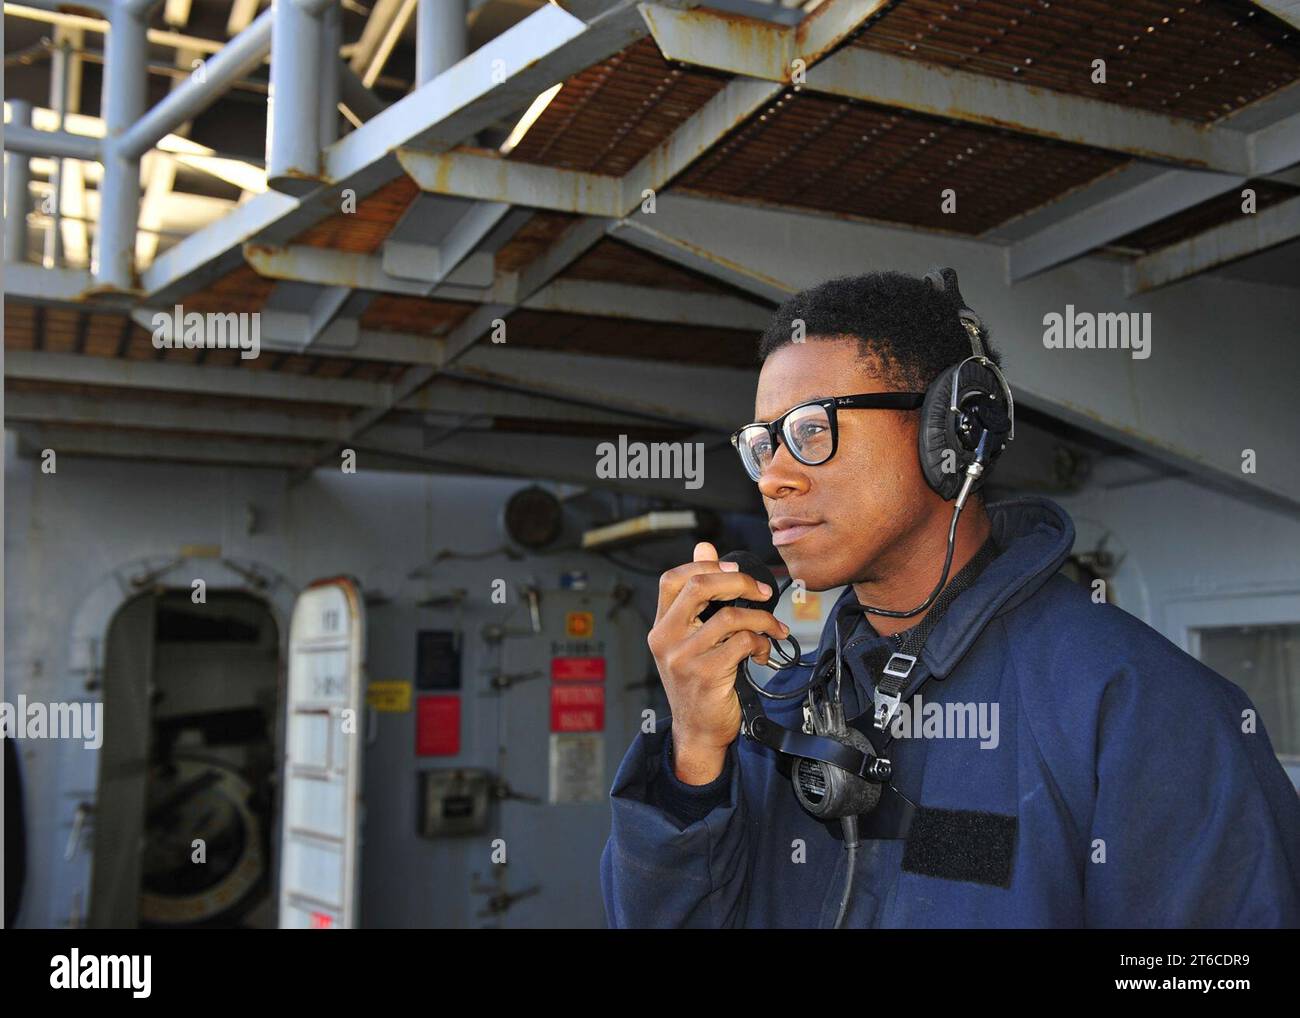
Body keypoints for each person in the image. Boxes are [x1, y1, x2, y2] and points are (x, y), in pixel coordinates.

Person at [600, 269, 1300, 928]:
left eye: (811, 429)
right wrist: (695, 751)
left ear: (951, 429)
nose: (772, 478)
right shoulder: (777, 708)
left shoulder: (1139, 707)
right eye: (764, 443)